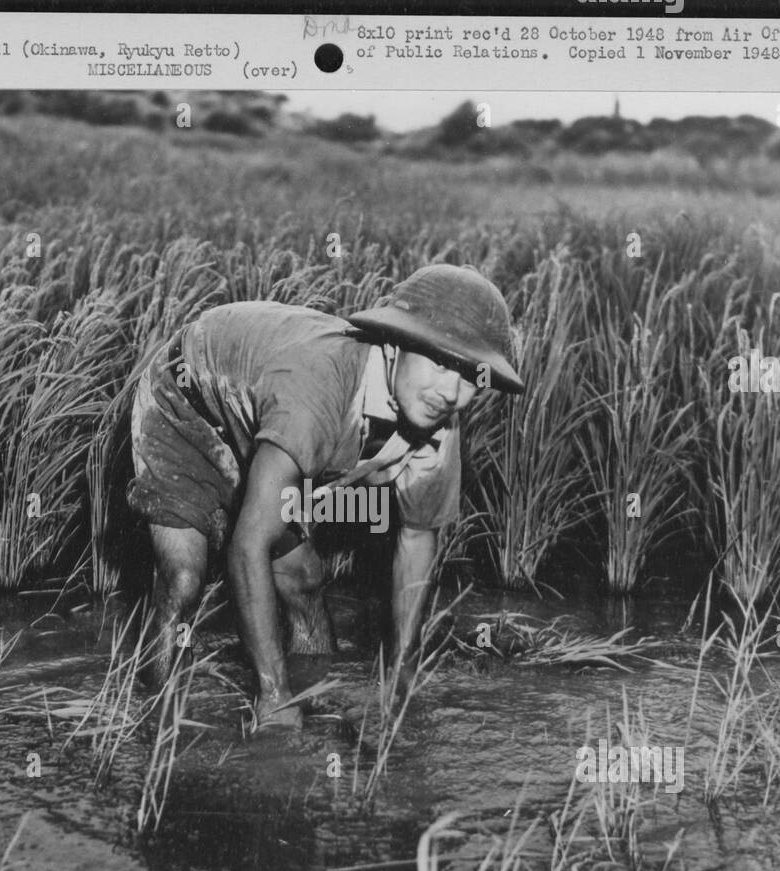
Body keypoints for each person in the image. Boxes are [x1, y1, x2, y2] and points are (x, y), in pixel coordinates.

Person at [127, 263, 524, 733]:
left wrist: (400, 678)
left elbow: (416, 543)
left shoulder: (438, 431)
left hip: (260, 418)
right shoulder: (320, 386)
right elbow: (248, 544)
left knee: (303, 577)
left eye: (469, 377)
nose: (451, 393)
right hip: (185, 400)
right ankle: (156, 724)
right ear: (396, 345)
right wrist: (272, 696)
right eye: (441, 363)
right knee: (184, 576)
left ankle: (316, 692)